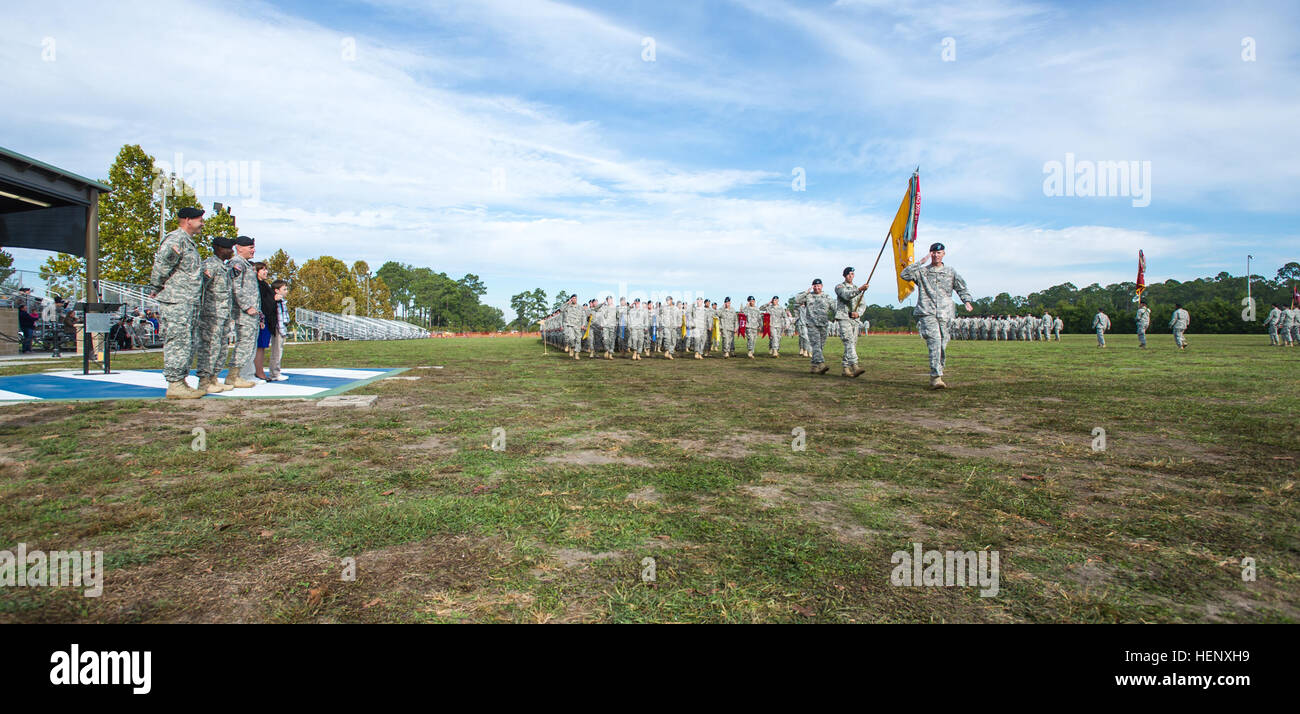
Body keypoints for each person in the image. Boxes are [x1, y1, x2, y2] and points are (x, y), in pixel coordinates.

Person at [148, 206, 206, 399]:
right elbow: (162, 266)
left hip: (188, 300)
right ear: (188, 220)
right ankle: (174, 383)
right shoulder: (176, 240)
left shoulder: (188, 243)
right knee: (178, 341)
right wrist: (155, 287)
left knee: (188, 342)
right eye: (199, 220)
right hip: (177, 300)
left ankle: (181, 381)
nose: (202, 223)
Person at [899, 242, 974, 389]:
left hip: (945, 313)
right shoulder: (922, 272)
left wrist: (967, 301)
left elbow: (961, 287)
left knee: (943, 343)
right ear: (930, 254)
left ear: (943, 254)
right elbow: (904, 274)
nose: (935, 255)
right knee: (935, 341)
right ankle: (936, 377)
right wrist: (920, 262)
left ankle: (938, 369)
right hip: (927, 312)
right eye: (933, 252)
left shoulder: (950, 272)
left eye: (938, 253)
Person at [195, 236, 236, 393]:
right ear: (219, 248)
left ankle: (213, 378)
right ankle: (204, 381)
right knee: (209, 347)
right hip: (211, 314)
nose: (231, 252)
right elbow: (200, 288)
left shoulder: (223, 267)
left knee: (221, 347)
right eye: (228, 249)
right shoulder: (210, 266)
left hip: (223, 314)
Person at [224, 236, 260, 388]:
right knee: (244, 343)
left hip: (251, 313)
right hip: (244, 313)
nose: (253, 250)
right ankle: (233, 375)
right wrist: (246, 307)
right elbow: (235, 287)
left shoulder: (245, 264)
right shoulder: (237, 263)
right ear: (239, 248)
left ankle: (236, 375)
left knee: (248, 343)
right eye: (250, 247)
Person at [834, 266, 870, 378]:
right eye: (849, 274)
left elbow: (863, 304)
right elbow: (846, 295)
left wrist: (858, 313)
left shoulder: (856, 288)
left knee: (851, 344)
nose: (851, 276)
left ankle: (845, 368)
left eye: (852, 274)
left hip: (854, 320)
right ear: (844, 275)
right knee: (848, 341)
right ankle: (855, 365)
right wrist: (859, 289)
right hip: (844, 317)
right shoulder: (840, 287)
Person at [794, 279, 834, 374]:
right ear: (812, 286)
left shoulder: (827, 296)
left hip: (823, 324)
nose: (817, 287)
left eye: (818, 285)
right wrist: (806, 292)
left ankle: (814, 366)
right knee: (816, 345)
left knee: (820, 346)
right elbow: (797, 300)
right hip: (812, 324)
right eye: (815, 286)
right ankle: (821, 364)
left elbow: (834, 306)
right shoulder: (809, 296)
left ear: (822, 286)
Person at [253, 262, 275, 380]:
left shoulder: (264, 284)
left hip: (267, 318)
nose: (266, 272)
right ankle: (258, 371)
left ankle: (259, 369)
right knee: (259, 346)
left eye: (266, 269)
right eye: (263, 270)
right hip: (261, 319)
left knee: (262, 346)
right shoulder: (257, 285)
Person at [268, 279, 290, 380]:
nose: (286, 291)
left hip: (282, 327)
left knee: (279, 350)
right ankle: (274, 373)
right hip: (277, 327)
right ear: (277, 290)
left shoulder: (282, 301)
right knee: (277, 351)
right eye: (284, 289)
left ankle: (276, 371)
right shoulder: (275, 301)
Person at [561, 293, 584, 359]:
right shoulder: (568, 306)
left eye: (575, 298)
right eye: (573, 298)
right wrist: (567, 303)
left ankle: (577, 353)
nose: (574, 299)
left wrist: (583, 324)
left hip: (578, 326)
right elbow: (561, 309)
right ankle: (572, 347)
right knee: (571, 338)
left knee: (578, 340)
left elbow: (584, 316)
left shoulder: (580, 307)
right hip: (570, 325)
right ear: (571, 299)